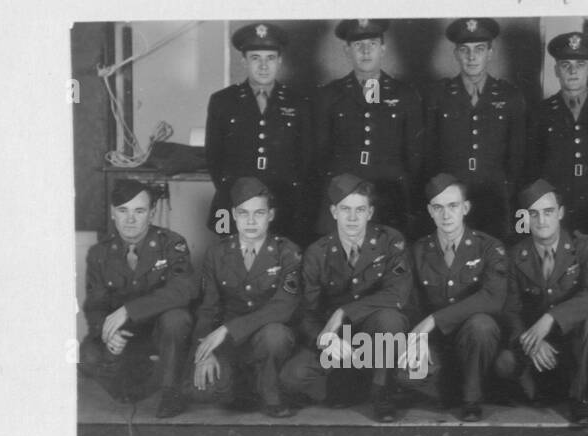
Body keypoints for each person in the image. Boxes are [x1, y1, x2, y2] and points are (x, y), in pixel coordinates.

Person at [280, 173, 413, 422]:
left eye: (360, 209)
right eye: (345, 209)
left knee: (390, 319)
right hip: (338, 340)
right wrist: (323, 340)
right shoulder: (317, 253)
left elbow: (397, 294)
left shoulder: (390, 241)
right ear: (333, 211)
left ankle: (381, 392)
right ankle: (352, 382)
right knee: (292, 377)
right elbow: (307, 313)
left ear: (370, 212)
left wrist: (345, 312)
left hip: (377, 336)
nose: (352, 218)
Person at [494, 180, 588, 426]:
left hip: (574, 339)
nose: (542, 220)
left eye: (548, 212)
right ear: (525, 217)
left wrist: (550, 319)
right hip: (536, 343)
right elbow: (511, 309)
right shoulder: (516, 255)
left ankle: (580, 398)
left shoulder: (584, 247)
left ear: (560, 213)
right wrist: (529, 341)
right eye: (534, 214)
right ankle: (548, 387)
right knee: (504, 365)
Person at [80, 179, 196, 417]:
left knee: (177, 318)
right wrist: (108, 332)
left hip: (160, 335)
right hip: (127, 337)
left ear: (151, 213)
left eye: (139, 211)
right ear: (113, 213)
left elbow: (183, 290)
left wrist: (128, 310)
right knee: (88, 356)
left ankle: (171, 391)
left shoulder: (172, 244)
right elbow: (95, 306)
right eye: (123, 211)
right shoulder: (99, 253)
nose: (130, 219)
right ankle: (139, 384)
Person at [191, 177, 301, 418]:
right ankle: (244, 383)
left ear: (271, 215)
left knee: (275, 335)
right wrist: (205, 352)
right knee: (205, 391)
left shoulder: (287, 252)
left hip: (267, 340)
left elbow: (284, 306)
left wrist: (228, 329)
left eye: (259, 213)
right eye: (243, 213)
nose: (251, 221)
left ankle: (271, 394)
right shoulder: (217, 253)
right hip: (232, 345)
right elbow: (208, 308)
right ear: (233, 215)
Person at [405, 173, 507, 422]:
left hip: (472, 341)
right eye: (438, 207)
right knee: (402, 369)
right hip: (437, 344)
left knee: (482, 326)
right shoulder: (418, 251)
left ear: (466, 208)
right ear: (430, 211)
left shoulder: (489, 248)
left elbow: (492, 298)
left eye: (453, 206)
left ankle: (471, 399)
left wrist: (432, 321)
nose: (446, 215)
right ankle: (446, 385)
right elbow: (410, 303)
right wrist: (418, 342)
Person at [205, 22, 313, 244]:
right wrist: (236, 194)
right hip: (234, 203)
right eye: (256, 58)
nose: (264, 66)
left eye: (270, 58)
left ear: (280, 60)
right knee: (230, 264)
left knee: (283, 265)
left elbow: (307, 158)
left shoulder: (299, 102)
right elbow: (214, 158)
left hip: (284, 203)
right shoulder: (223, 101)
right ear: (244, 61)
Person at [313, 19, 422, 235]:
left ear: (382, 49)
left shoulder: (405, 95)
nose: (365, 52)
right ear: (347, 50)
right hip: (344, 197)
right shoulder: (329, 96)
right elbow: (319, 155)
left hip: (390, 197)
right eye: (358, 45)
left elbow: (414, 157)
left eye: (371, 44)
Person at [422, 18, 526, 241]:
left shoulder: (510, 96)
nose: (471, 57)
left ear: (490, 53)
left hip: (494, 198)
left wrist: (508, 196)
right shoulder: (438, 95)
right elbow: (428, 153)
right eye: (464, 50)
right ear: (456, 54)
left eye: (479, 50)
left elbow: (517, 157)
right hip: (450, 200)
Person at [525, 30, 588, 246]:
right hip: (555, 215)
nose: (572, 71)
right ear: (556, 70)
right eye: (565, 65)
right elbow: (532, 167)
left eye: (580, 65)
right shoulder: (540, 113)